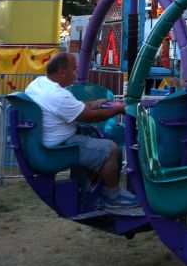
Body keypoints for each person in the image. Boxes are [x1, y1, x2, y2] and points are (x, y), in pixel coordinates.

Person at [24, 53, 137, 209]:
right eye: (74, 69)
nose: (76, 74)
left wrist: (95, 103)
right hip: (56, 150)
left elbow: (76, 107)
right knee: (110, 148)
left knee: (89, 138)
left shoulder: (38, 84)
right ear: (62, 71)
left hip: (42, 146)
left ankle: (94, 188)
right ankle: (113, 196)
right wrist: (118, 109)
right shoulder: (58, 95)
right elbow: (89, 116)